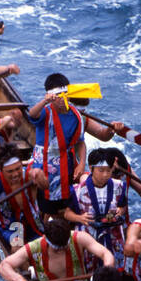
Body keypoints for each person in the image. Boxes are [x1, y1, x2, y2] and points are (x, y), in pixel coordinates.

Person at [25, 72, 115, 207]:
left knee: (63, 200)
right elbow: (31, 115)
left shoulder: (76, 115)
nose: (61, 100)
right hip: (42, 161)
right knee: (42, 196)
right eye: (58, 97)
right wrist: (45, 101)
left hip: (63, 161)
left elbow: (80, 142)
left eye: (64, 96)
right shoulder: (45, 111)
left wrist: (81, 163)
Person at [0, 215, 113, 281]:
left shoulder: (79, 237)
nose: (62, 251)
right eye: (57, 249)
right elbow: (4, 265)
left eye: (65, 247)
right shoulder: (34, 247)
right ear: (46, 240)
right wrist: (17, 278)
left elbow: (105, 253)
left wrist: (106, 272)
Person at [76, 147, 141, 265]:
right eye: (105, 170)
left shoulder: (124, 169)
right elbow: (83, 180)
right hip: (94, 230)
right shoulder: (89, 179)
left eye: (111, 171)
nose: (108, 177)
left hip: (118, 226)